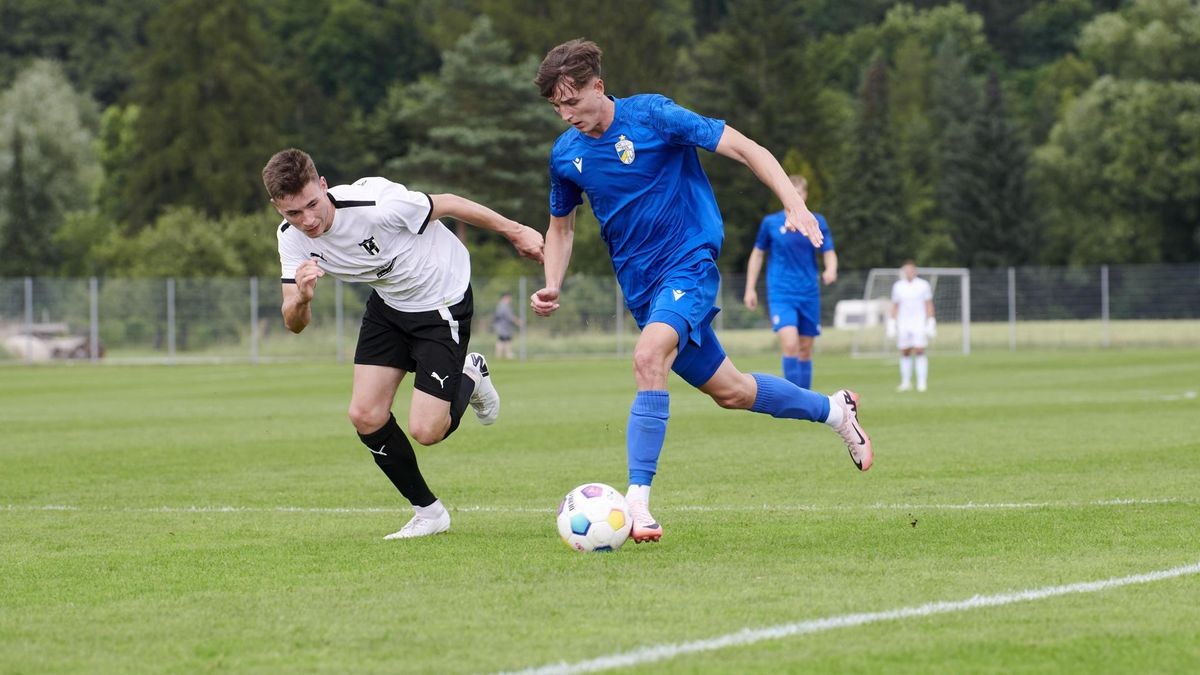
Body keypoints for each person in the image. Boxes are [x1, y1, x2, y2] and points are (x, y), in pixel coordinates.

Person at [529, 40, 873, 544]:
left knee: (648, 357)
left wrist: (793, 205)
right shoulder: (566, 155)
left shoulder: (654, 115)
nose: (566, 114)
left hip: (688, 265)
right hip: (642, 289)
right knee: (732, 392)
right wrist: (552, 283)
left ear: (597, 86)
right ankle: (836, 410)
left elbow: (747, 149)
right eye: (556, 107)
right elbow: (561, 228)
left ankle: (637, 505)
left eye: (572, 101)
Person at [262, 148, 544, 539]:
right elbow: (294, 323)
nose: (307, 220)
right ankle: (429, 513)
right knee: (365, 415)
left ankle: (472, 374)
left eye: (312, 204)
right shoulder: (290, 239)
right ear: (277, 208)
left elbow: (449, 203)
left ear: (323, 185)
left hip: (440, 299)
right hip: (389, 303)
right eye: (293, 213)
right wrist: (303, 299)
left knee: (428, 431)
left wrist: (516, 231)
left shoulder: (377, 205)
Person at [743, 174, 837, 390]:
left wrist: (831, 269)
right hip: (781, 292)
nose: (796, 196)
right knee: (791, 344)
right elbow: (757, 254)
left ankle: (806, 400)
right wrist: (750, 288)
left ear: (806, 194)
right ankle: (792, 400)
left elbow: (828, 250)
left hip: (808, 292)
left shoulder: (816, 221)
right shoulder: (771, 223)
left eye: (800, 192)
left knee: (805, 349)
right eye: (791, 192)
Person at [887, 260, 935, 392]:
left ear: (915, 271)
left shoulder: (923, 285)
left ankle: (921, 382)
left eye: (910, 270)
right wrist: (892, 322)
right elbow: (895, 305)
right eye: (906, 271)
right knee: (905, 351)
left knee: (919, 350)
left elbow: (928, 304)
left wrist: (931, 321)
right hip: (903, 322)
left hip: (919, 322)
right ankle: (906, 382)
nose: (908, 273)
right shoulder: (898, 286)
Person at [491, 292, 521, 359]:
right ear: (505, 297)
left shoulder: (502, 305)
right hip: (502, 327)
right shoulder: (503, 305)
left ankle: (504, 354)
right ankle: (504, 355)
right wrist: (517, 321)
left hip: (504, 327)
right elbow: (509, 316)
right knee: (503, 340)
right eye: (509, 298)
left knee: (505, 340)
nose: (510, 299)